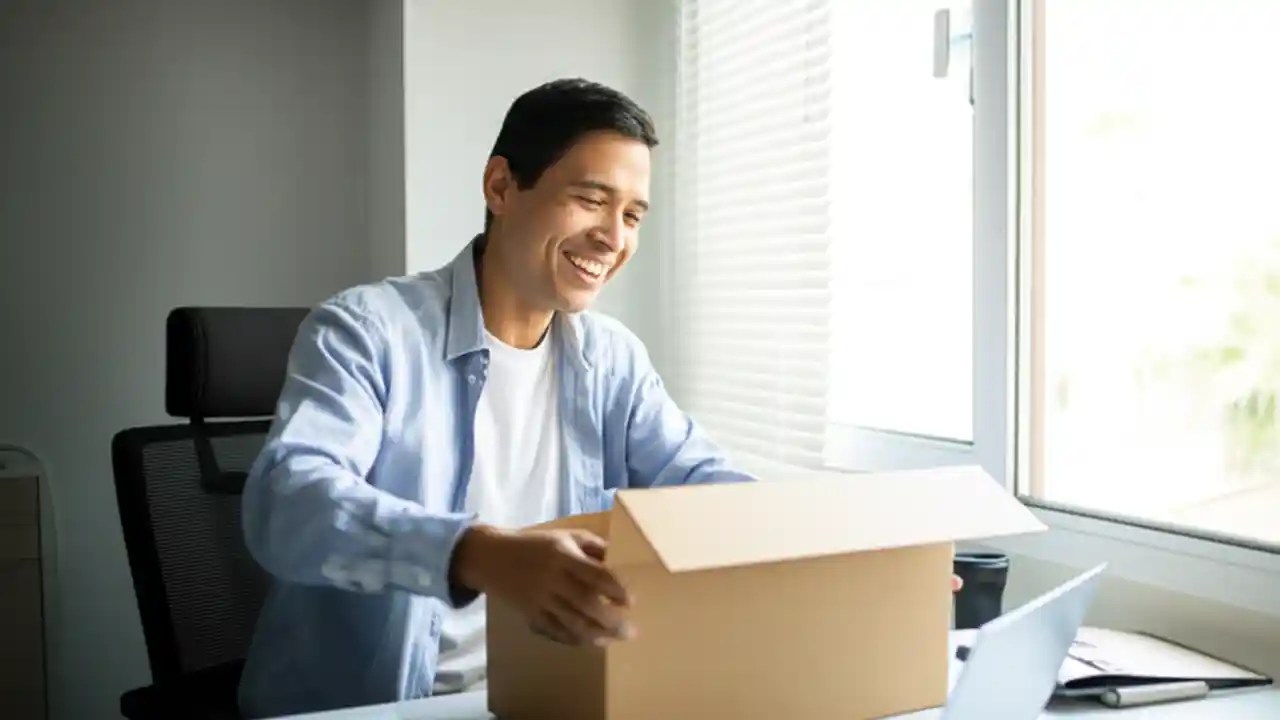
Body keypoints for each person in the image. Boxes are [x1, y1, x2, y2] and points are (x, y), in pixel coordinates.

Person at [235, 78, 756, 718]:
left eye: (632, 215)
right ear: (502, 187)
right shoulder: (369, 330)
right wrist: (477, 553)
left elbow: (699, 477)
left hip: (549, 693)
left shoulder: (611, 358)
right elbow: (288, 501)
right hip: (382, 704)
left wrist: (785, 526)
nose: (613, 238)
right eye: (591, 200)